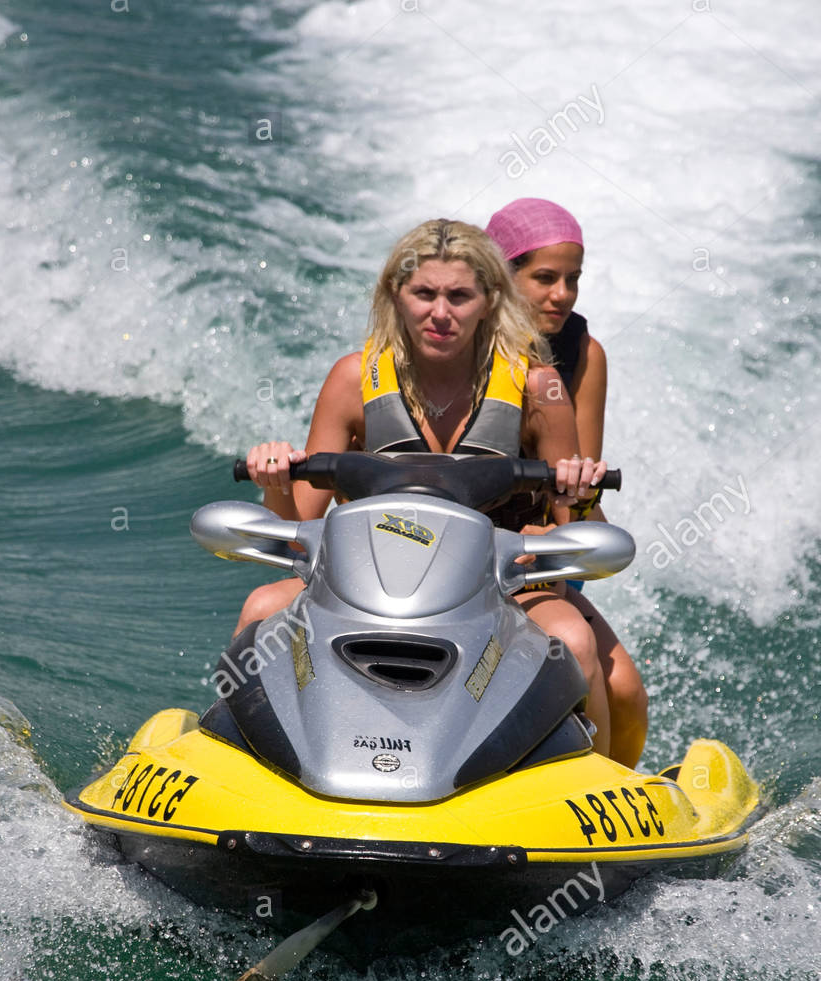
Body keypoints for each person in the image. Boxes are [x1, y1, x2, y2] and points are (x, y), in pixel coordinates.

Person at [235, 218, 619, 755]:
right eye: (424, 293)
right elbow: (291, 529)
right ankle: (238, 758)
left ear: (488, 300)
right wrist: (275, 480)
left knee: (574, 642)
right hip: (361, 590)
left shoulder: (539, 389)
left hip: (501, 591)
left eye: (460, 296)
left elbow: (575, 538)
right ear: (397, 294)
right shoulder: (353, 379)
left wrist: (581, 496)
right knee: (260, 608)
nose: (441, 313)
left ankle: (597, 787)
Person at [485, 198, 647, 767]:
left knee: (624, 689)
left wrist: (573, 513)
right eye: (545, 278)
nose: (562, 295)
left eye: (572, 280)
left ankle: (613, 808)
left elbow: (577, 490)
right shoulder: (453, 343)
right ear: (501, 277)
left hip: (538, 552)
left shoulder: (584, 355)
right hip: (457, 548)